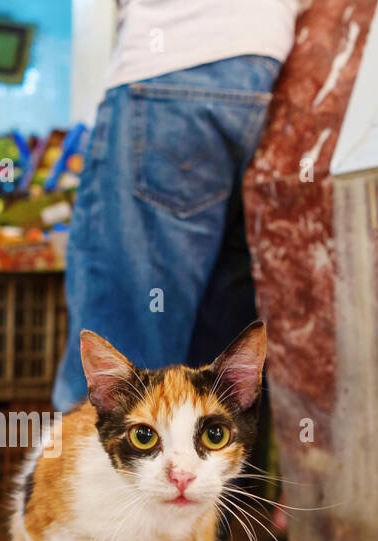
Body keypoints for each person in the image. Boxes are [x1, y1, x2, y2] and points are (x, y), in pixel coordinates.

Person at [52, 0, 306, 410]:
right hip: (262, 68)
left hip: (172, 59)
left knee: (119, 368)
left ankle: (105, 473)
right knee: (215, 376)